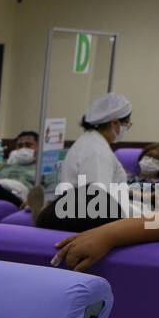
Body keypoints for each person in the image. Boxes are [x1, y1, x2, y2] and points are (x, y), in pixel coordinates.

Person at [37, 92, 134, 231]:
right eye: (126, 124)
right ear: (114, 123)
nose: (126, 129)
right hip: (84, 218)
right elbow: (98, 200)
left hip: (78, 209)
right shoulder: (97, 150)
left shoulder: (90, 141)